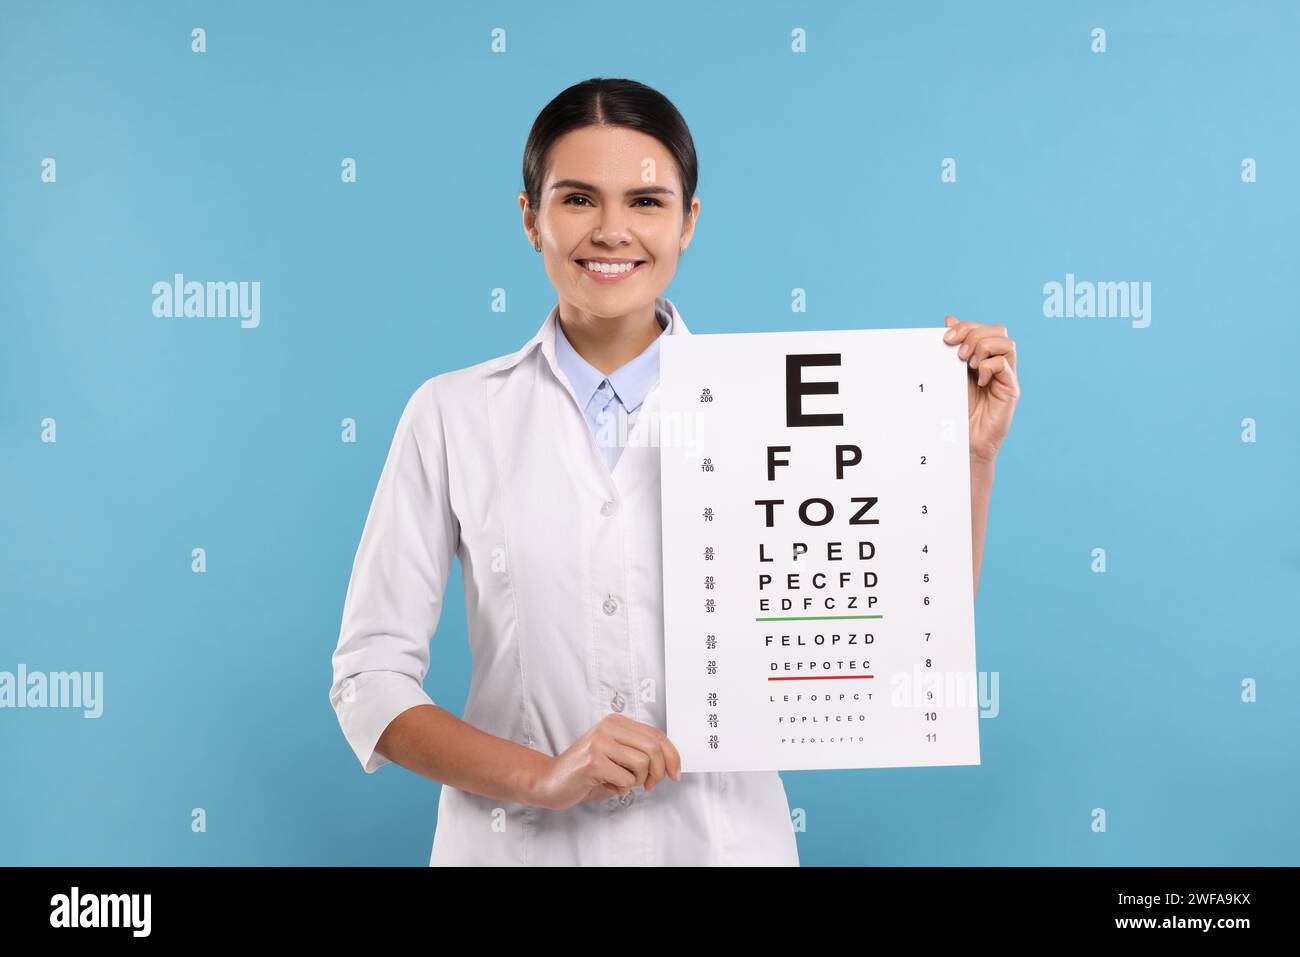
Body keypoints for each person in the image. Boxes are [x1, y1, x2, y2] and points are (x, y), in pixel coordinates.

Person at [328, 77, 1020, 867]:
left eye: (647, 202)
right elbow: (370, 680)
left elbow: (902, 637)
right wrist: (542, 775)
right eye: (578, 199)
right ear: (530, 218)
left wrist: (967, 459)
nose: (612, 231)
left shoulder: (781, 405)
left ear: (689, 221)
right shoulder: (452, 415)